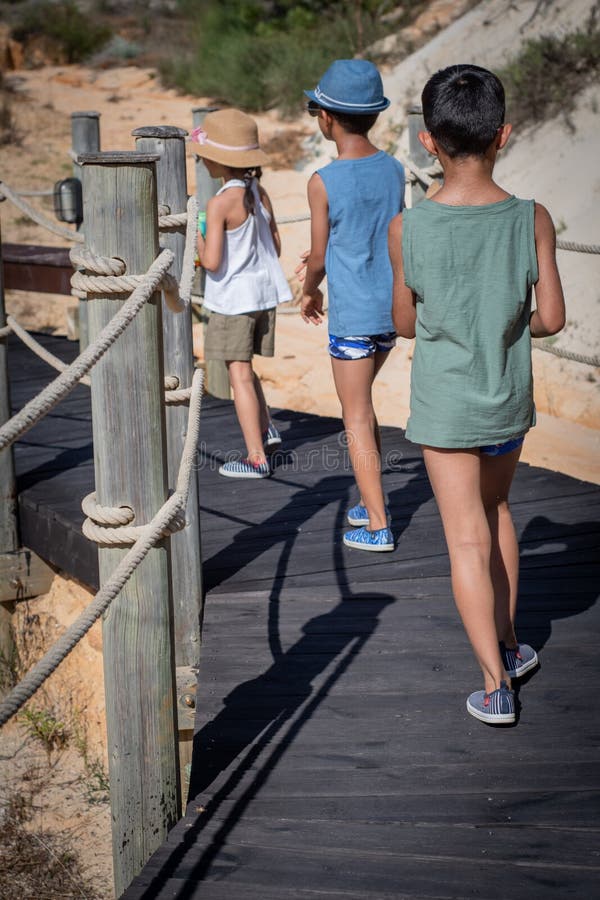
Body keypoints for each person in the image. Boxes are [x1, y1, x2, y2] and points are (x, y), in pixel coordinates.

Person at [389, 64, 565, 724]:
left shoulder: (410, 229)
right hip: (506, 400)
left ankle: (494, 685)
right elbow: (550, 318)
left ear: (428, 140)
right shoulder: (533, 219)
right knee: (498, 513)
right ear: (506, 134)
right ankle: (512, 645)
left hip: (445, 405)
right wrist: (507, 318)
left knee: (465, 540)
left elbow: (404, 322)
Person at [298, 59, 405, 551]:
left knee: (355, 415)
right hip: (391, 311)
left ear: (326, 117)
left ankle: (379, 524)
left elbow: (318, 256)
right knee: (364, 406)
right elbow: (384, 233)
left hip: (352, 316)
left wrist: (310, 287)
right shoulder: (394, 170)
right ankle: (369, 499)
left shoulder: (322, 181)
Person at [191, 108, 292, 479]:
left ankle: (255, 457)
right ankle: (266, 429)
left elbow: (213, 261)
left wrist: (196, 233)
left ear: (217, 160)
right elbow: (276, 245)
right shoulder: (258, 192)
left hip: (233, 302)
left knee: (238, 375)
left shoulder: (219, 204)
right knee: (246, 370)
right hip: (263, 296)